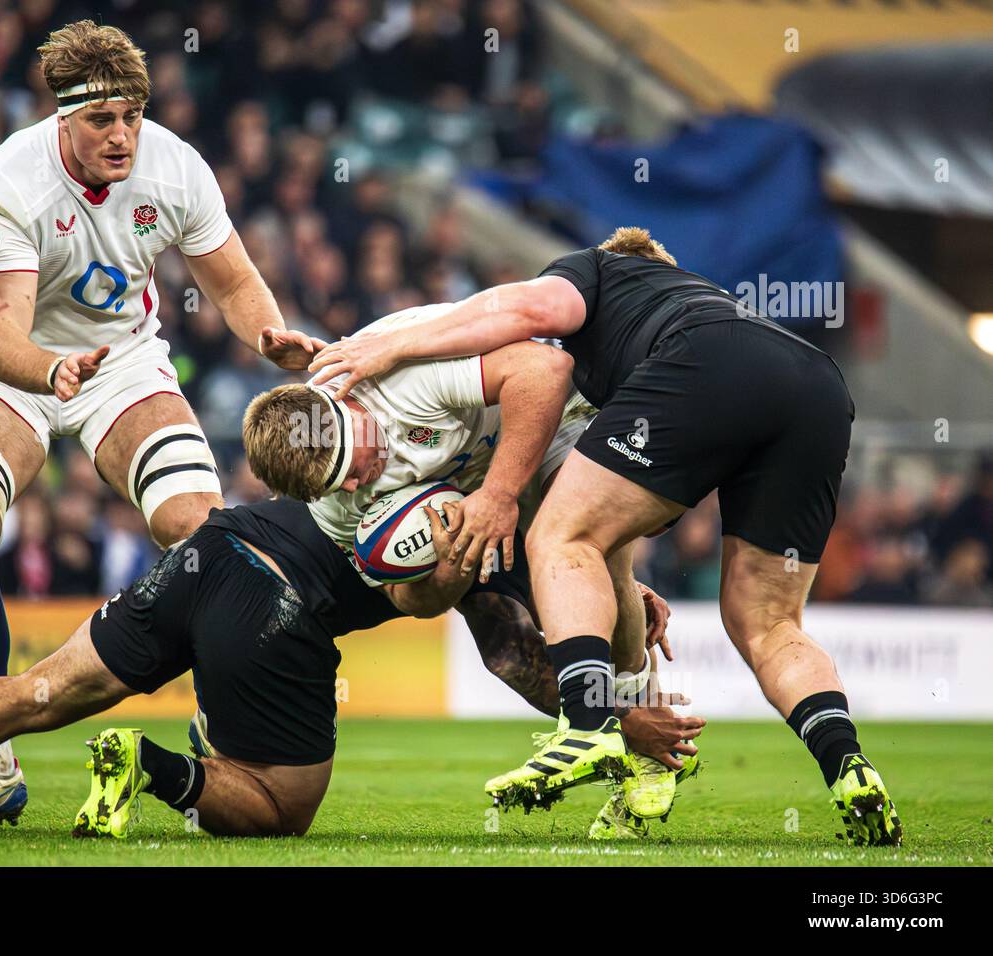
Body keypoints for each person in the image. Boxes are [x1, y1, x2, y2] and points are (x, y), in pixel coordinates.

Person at [307, 227, 902, 846]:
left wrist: (386, 345)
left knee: (562, 538)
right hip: (819, 388)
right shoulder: (698, 300)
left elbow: (530, 310)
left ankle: (587, 728)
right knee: (769, 624)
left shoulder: (600, 269)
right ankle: (846, 762)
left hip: (710, 366)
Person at [0, 21, 321, 830]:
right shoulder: (13, 178)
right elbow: (2, 333)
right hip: (19, 365)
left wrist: (268, 335)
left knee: (204, 531)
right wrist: (50, 373)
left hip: (124, 361)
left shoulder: (175, 166)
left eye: (132, 115)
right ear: (62, 117)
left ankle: (221, 741)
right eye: (101, 119)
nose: (122, 135)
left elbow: (234, 283)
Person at [0, 495, 704, 839]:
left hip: (214, 544)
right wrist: (620, 719)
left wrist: (620, 588)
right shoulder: (499, 527)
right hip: (280, 605)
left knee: (34, 693)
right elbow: (508, 651)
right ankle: (150, 766)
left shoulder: (442, 447)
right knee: (278, 809)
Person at [242, 302, 693, 826]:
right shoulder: (335, 507)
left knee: (588, 547)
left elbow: (546, 370)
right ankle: (628, 727)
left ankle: (642, 727)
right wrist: (451, 567)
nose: (354, 486)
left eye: (348, 466)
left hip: (544, 419)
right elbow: (409, 601)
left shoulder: (399, 381)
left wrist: (500, 495)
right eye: (334, 486)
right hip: (466, 494)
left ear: (343, 405)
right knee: (508, 656)